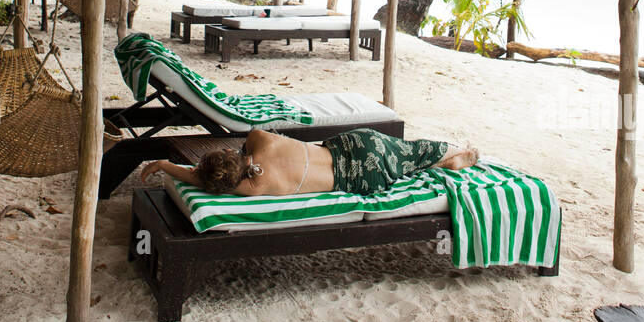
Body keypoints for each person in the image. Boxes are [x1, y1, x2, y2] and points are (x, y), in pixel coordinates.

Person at [140, 126, 479, 198]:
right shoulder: (262, 144)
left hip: (362, 177)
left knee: (403, 162)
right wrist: (243, 152)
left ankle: (445, 161)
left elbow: (203, 181)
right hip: (356, 146)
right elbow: (254, 133)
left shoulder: (253, 188)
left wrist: (167, 167)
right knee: (411, 149)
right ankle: (453, 151)